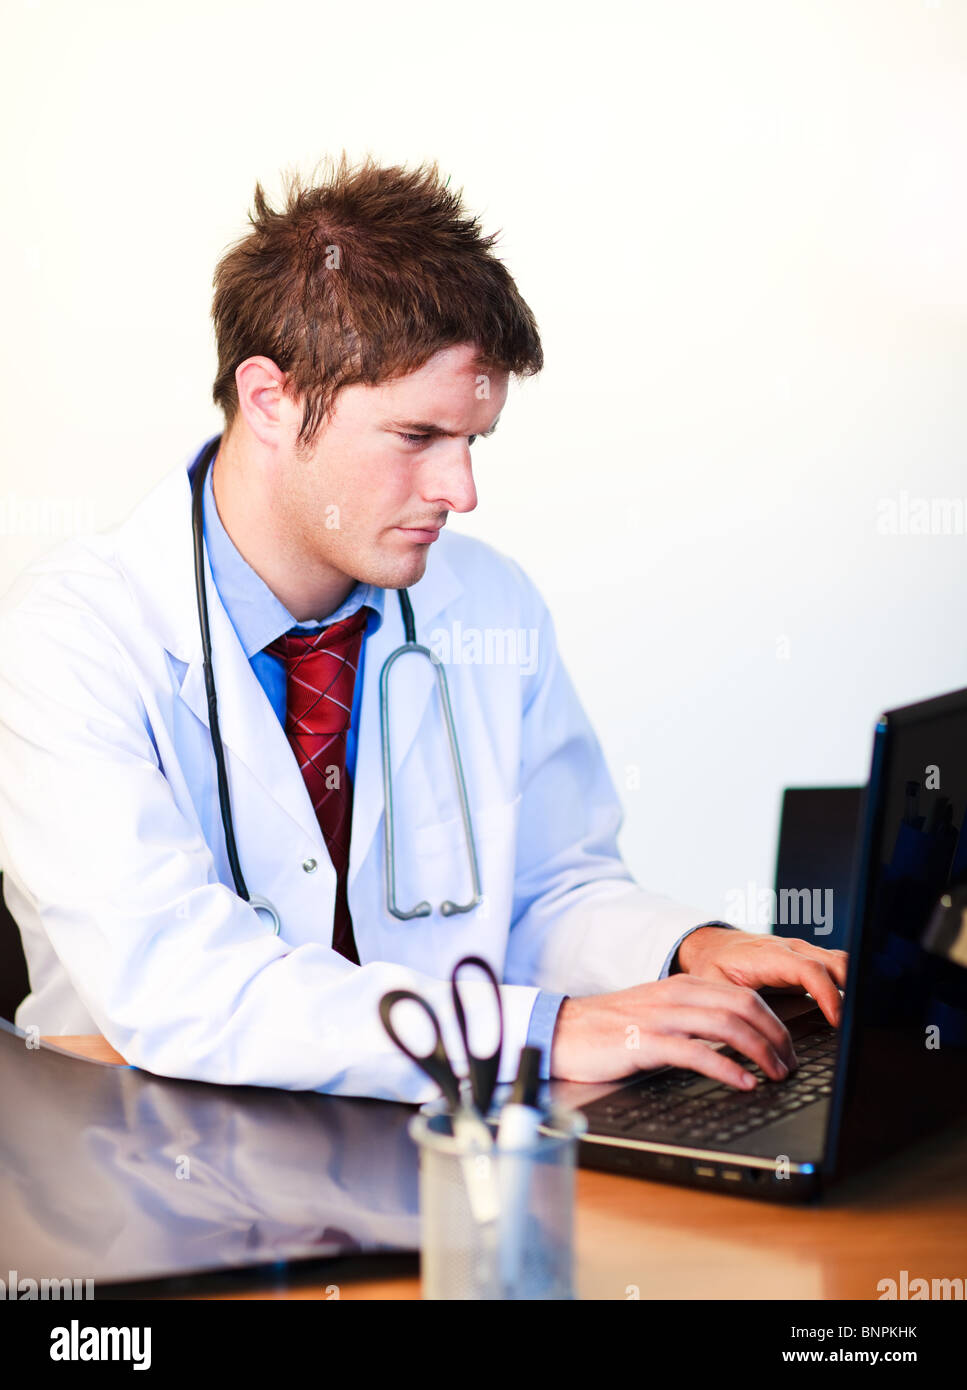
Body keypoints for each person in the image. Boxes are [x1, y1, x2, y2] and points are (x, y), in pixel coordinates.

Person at [0, 155, 846, 1102]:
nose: (461, 492)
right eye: (417, 438)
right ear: (270, 399)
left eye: (471, 442)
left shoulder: (486, 605)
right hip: (145, 1155)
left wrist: (686, 946)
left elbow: (540, 894)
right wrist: (540, 1029)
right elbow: (173, 983)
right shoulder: (72, 635)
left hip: (427, 1135)